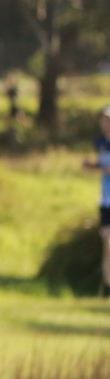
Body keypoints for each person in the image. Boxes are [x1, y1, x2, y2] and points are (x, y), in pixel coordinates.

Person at [85, 104, 110, 295]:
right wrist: (91, 165)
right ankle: (107, 287)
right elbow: (102, 167)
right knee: (107, 244)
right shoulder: (100, 142)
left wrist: (94, 169)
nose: (105, 123)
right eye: (103, 119)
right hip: (106, 200)